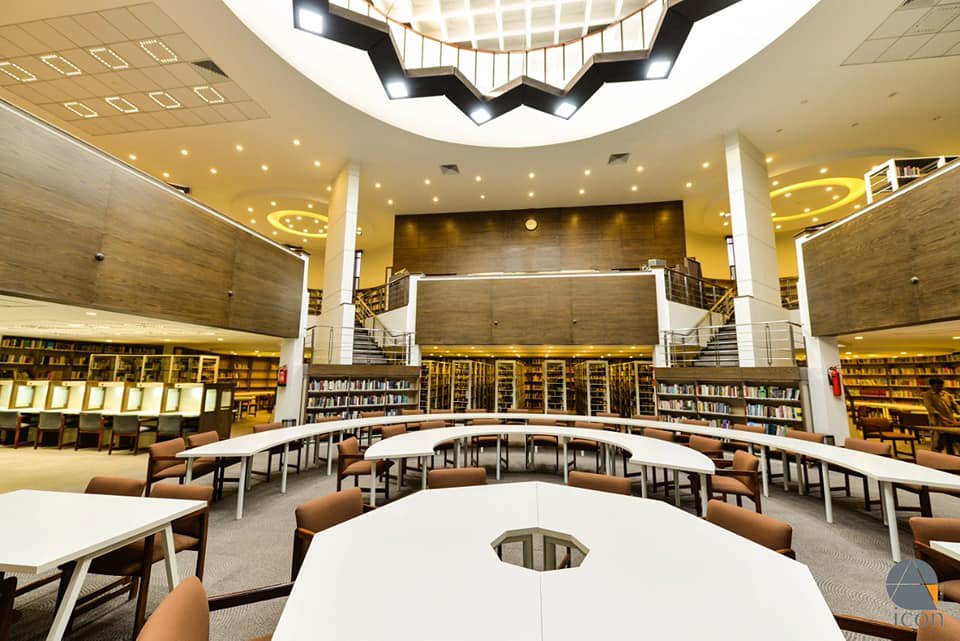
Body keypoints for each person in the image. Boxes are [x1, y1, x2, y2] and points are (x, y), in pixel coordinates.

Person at [922, 377, 960, 453]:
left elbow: (955, 406)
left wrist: (958, 411)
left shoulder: (947, 395)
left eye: (941, 386)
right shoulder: (928, 395)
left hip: (951, 422)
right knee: (937, 443)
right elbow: (930, 408)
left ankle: (951, 456)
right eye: (937, 386)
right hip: (937, 423)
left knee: (953, 441)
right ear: (932, 386)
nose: (940, 388)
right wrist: (942, 418)